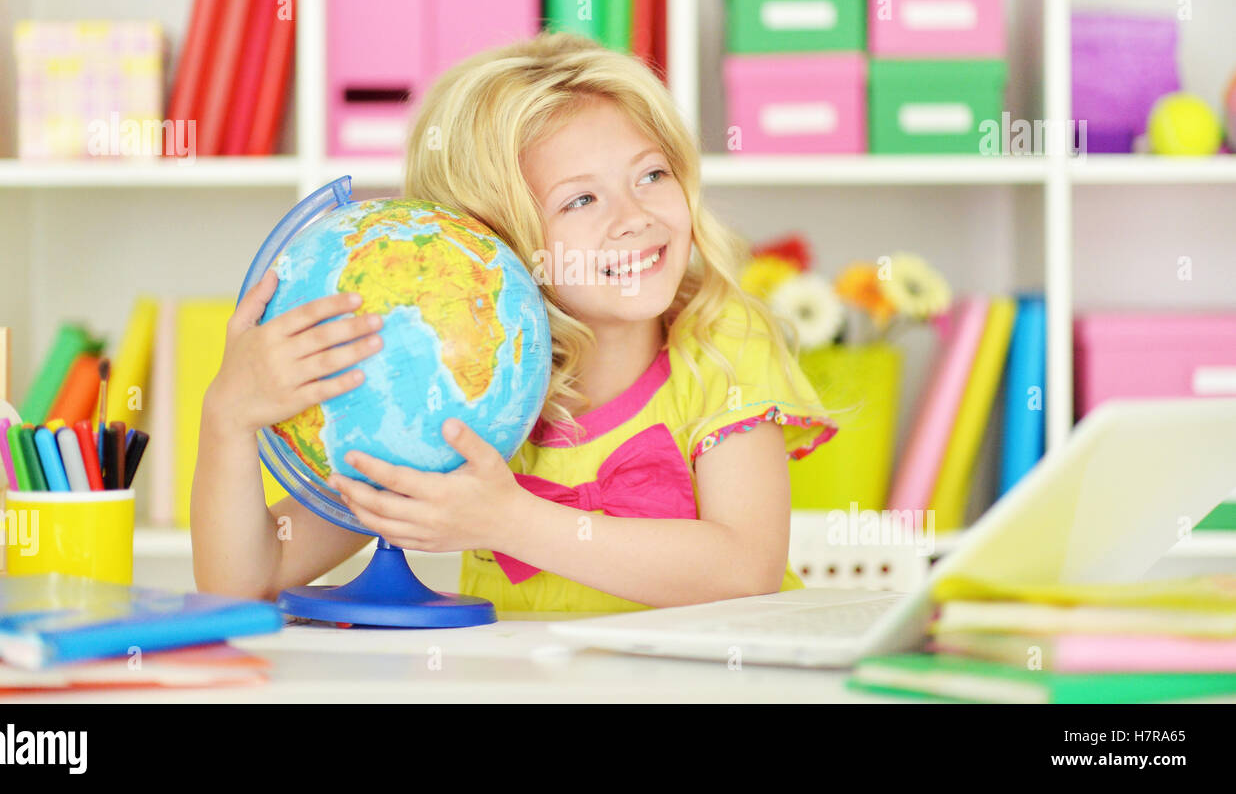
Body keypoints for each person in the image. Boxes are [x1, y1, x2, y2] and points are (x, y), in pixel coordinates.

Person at [192, 31, 838, 611]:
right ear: (491, 243)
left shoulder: (723, 340)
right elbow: (245, 584)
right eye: (580, 198)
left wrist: (508, 521)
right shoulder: (462, 384)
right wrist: (227, 417)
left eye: (652, 174)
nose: (635, 215)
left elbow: (744, 567)